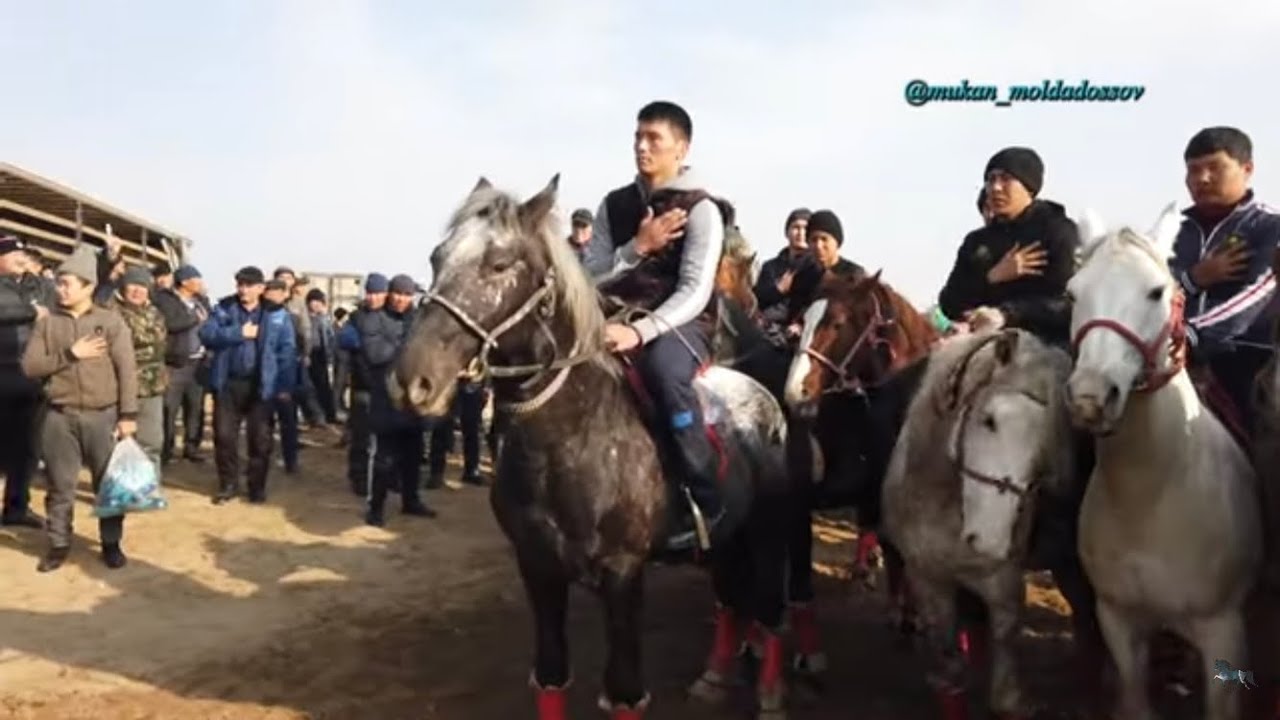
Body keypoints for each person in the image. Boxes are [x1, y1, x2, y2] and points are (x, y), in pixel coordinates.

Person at [582, 100, 728, 551]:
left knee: (664, 372)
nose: (641, 147)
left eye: (653, 139)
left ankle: (702, 498)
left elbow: (695, 290)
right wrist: (636, 248)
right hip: (617, 314)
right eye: (637, 137)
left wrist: (642, 333)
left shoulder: (703, 209)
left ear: (680, 149)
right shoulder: (614, 205)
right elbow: (588, 276)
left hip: (683, 324)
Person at [21, 245, 139, 572]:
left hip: (103, 416)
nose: (60, 289)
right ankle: (59, 543)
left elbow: (126, 370)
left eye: (67, 284)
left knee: (108, 485)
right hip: (59, 416)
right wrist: (70, 354)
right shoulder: (48, 324)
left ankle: (111, 544)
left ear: (88, 286)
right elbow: (30, 367)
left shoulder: (110, 321)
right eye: (58, 283)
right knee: (60, 486)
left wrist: (128, 415)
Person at [1170, 126, 1280, 433]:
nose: (1201, 179)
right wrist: (1193, 279)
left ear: (1247, 170)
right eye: (1193, 170)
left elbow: (1256, 295)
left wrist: (1191, 335)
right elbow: (1151, 293)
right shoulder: (1174, 231)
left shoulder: (1269, 227)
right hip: (1173, 353)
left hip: (1246, 357)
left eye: (1214, 168)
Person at [936, 146, 1079, 346]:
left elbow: (1069, 304)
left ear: (1029, 187)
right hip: (981, 347)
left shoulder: (1058, 232)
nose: (995, 188)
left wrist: (1008, 313)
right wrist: (991, 278)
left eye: (1005, 179)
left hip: (1047, 347)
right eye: (991, 179)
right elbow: (949, 304)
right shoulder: (977, 241)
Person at [200, 266, 297, 504]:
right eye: (240, 285)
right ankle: (228, 484)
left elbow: (287, 350)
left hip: (261, 385)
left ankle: (256, 486)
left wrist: (285, 386)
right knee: (224, 437)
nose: (243, 290)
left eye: (249, 285)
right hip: (228, 383)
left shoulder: (276, 314)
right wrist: (238, 333)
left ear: (261, 288)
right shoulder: (224, 308)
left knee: (260, 440)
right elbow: (207, 335)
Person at [345, 274, 435, 525]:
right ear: (389, 294)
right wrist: (411, 349)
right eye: (398, 293)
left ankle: (411, 500)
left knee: (413, 455)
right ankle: (376, 508)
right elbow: (376, 355)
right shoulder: (374, 319)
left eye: (407, 295)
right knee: (383, 458)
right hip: (386, 397)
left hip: (414, 399)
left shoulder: (418, 319)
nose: (402, 299)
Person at [0, 235, 54, 529]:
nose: (21, 259)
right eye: (13, 255)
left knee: (27, 448)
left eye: (23, 254)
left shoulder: (35, 284)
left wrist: (105, 262)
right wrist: (32, 312)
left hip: (31, 377)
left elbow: (70, 292)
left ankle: (16, 507)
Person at [102, 267, 169, 473]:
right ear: (123, 287)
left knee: (151, 441)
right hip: (118, 387)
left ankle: (148, 489)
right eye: (133, 285)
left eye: (143, 286)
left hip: (152, 387)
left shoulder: (154, 312)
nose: (138, 291)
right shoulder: (109, 312)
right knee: (114, 443)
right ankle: (116, 490)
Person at [154, 264, 209, 464]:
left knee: (196, 408)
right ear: (185, 282)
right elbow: (172, 324)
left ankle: (192, 446)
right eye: (197, 279)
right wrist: (194, 318)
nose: (200, 284)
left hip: (199, 362)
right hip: (175, 363)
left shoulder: (201, 301)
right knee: (169, 408)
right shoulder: (165, 300)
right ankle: (166, 450)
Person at [341, 274, 389, 495]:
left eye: (377, 293)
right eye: (369, 293)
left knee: (388, 438)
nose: (372, 297)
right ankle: (358, 477)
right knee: (360, 437)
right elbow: (344, 339)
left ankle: (388, 477)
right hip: (363, 387)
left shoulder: (391, 317)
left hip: (388, 388)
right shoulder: (356, 317)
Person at [785, 209, 867, 327]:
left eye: (824, 239)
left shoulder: (854, 274)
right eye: (814, 240)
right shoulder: (802, 277)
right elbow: (793, 316)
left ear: (836, 242)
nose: (818, 246)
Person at [263, 279, 301, 474]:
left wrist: (287, 385)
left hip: (283, 378)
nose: (272, 295)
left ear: (285, 294)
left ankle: (291, 460)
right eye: (270, 291)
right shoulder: (258, 314)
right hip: (263, 381)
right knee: (263, 425)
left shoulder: (291, 318)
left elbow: (292, 352)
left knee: (288, 423)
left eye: (278, 292)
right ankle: (263, 459)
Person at [754, 208, 813, 325]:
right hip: (764, 328)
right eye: (796, 227)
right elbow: (757, 299)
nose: (801, 233)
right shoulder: (770, 267)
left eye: (806, 229)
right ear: (787, 232)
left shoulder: (815, 269)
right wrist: (778, 290)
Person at [303, 288, 338, 425]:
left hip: (321, 354)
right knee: (309, 387)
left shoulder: (324, 318)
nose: (315, 305)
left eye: (318, 302)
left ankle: (330, 414)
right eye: (313, 301)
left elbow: (330, 338)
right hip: (308, 354)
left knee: (324, 386)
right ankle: (314, 416)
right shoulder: (304, 318)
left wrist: (330, 357)